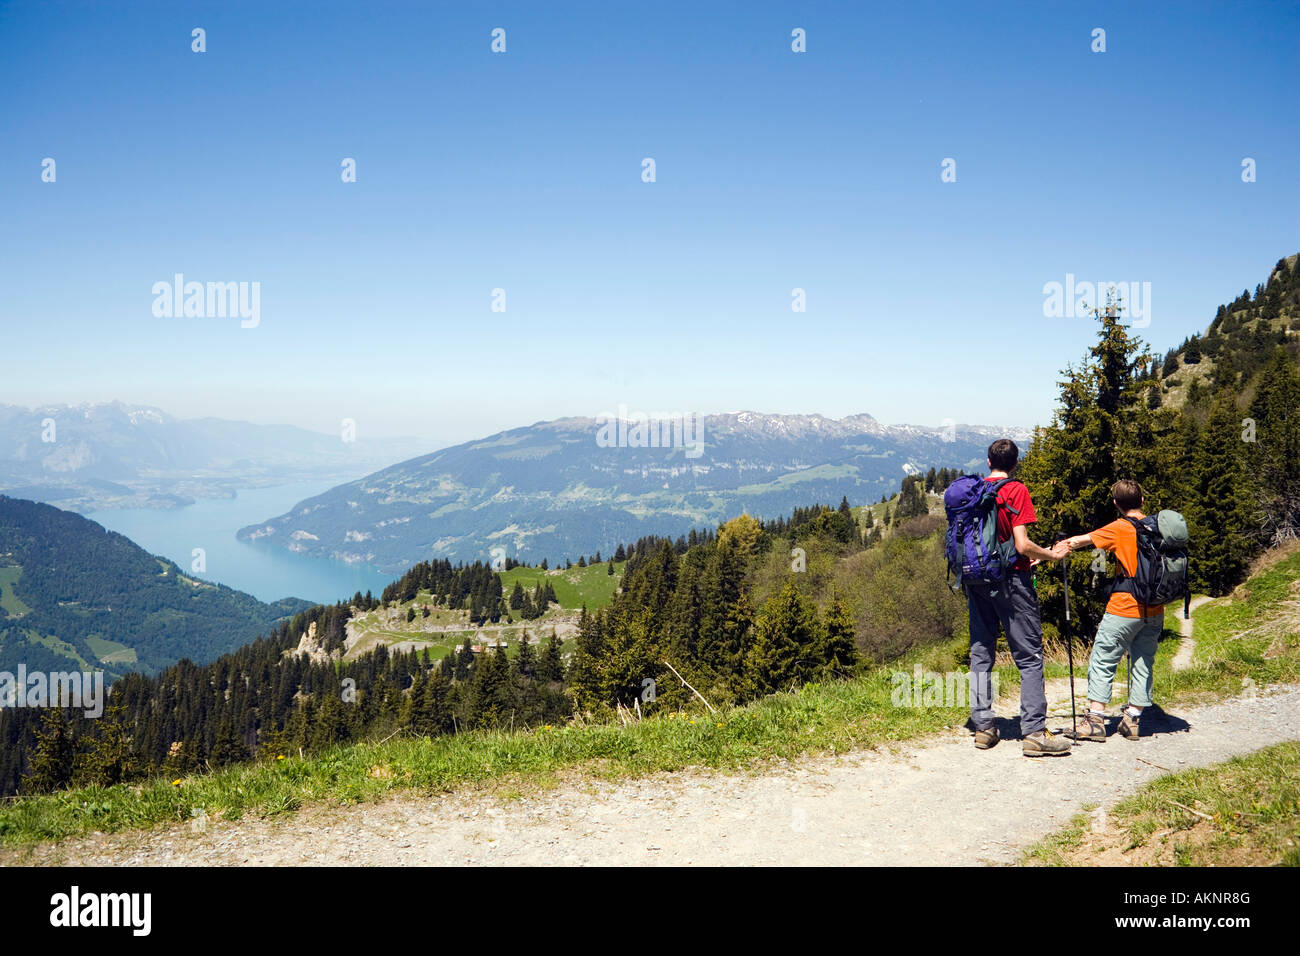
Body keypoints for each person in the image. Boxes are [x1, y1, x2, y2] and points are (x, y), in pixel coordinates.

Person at [967, 439, 1072, 756]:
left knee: (981, 650)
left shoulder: (974, 491)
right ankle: (1035, 732)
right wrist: (1051, 556)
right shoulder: (1016, 490)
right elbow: (1022, 544)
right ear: (1015, 464)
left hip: (977, 579)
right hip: (1012, 579)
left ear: (988, 463)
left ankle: (983, 727)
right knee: (1028, 654)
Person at [1058, 479, 1164, 741]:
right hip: (1156, 608)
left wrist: (1052, 551)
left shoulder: (1119, 528)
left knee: (1103, 659)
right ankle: (1133, 719)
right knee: (1143, 662)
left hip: (1124, 607)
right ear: (1142, 501)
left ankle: (1095, 720)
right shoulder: (1159, 527)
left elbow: (1081, 541)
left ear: (1116, 504)